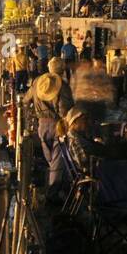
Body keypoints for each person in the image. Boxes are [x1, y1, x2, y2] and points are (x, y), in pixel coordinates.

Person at [23, 57, 75, 197]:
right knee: (58, 158)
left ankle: (59, 187)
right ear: (62, 70)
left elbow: (25, 100)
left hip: (41, 126)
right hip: (57, 125)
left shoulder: (38, 83)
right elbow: (65, 109)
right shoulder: (61, 86)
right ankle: (53, 193)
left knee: (50, 158)